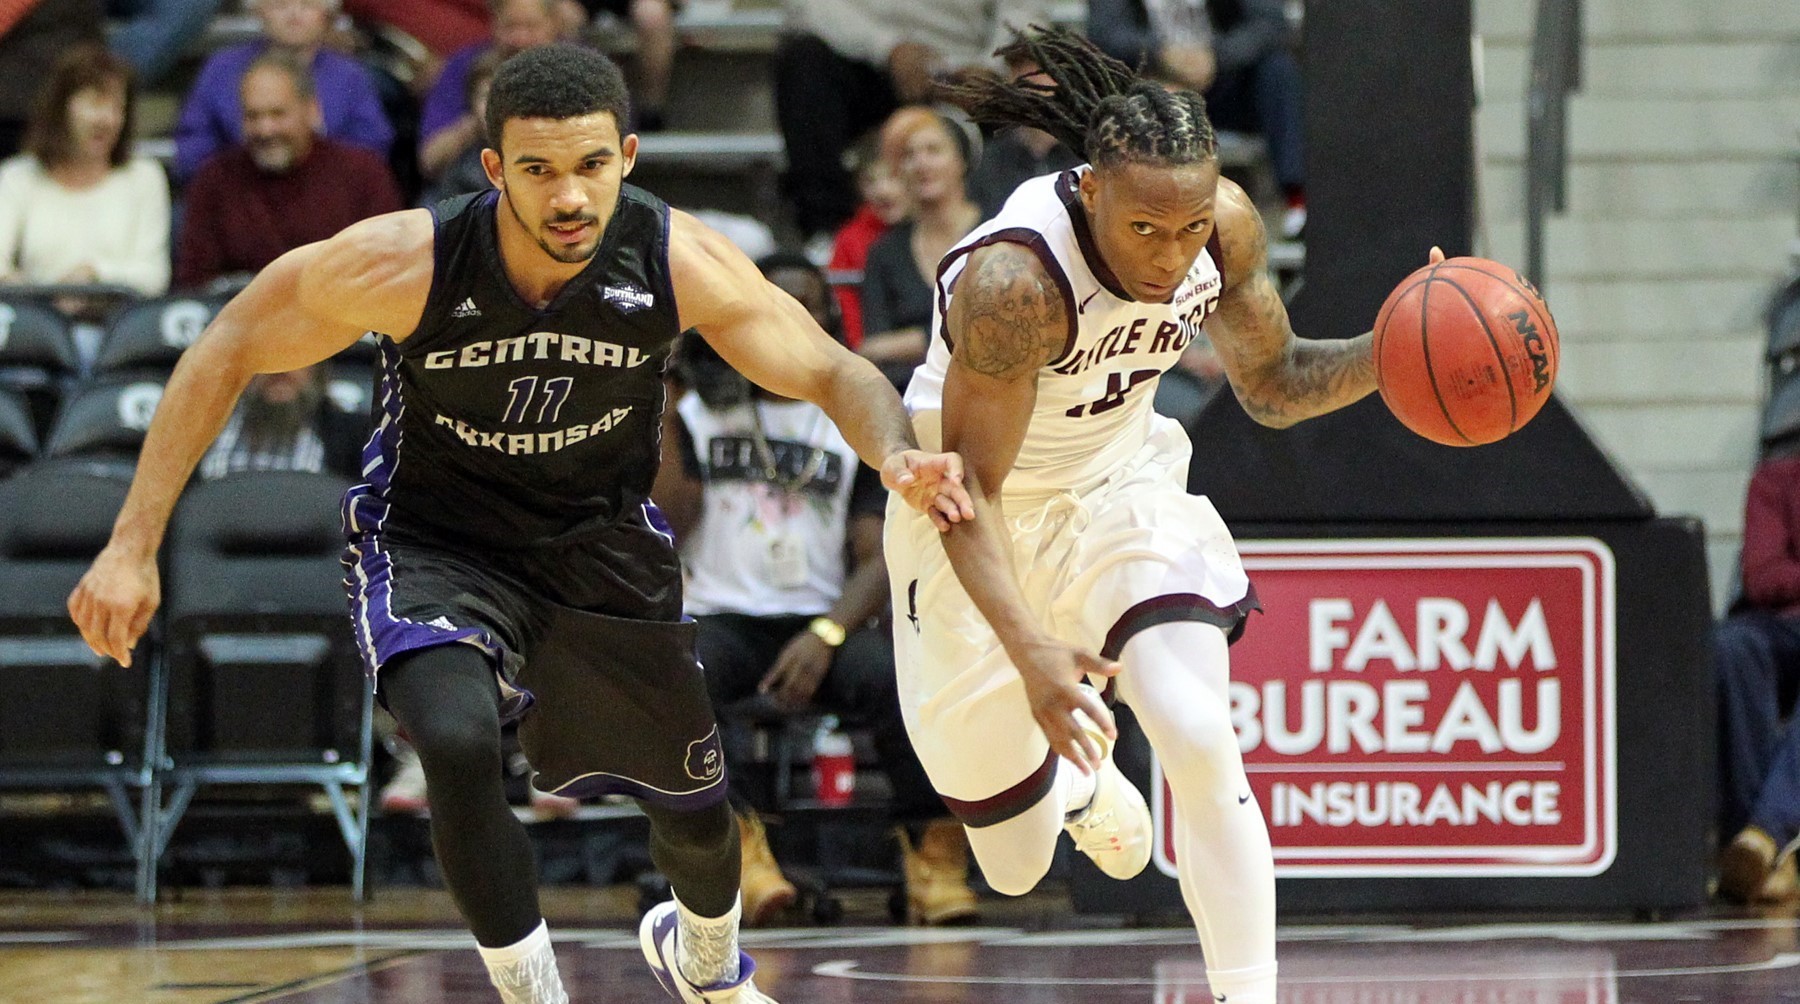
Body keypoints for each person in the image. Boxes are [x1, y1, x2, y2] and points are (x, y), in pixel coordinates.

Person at [68, 42, 969, 1004]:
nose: (569, 196)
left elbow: (833, 370)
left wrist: (894, 453)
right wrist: (131, 543)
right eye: (538, 170)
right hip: (433, 540)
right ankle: (532, 991)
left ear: (627, 156)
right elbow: (228, 342)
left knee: (700, 820)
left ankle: (706, 963)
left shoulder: (674, 257)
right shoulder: (410, 260)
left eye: (589, 167)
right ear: (495, 169)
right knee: (455, 739)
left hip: (600, 547)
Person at [884, 27, 1440, 1004]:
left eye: (1186, 230)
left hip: (1119, 486)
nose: (1169, 255)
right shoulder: (1015, 285)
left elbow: (1272, 382)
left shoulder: (1217, 225)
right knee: (1012, 864)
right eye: (1146, 230)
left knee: (1195, 725)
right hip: (976, 510)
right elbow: (968, 492)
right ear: (1092, 188)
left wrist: (1393, 351)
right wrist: (1032, 649)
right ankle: (1083, 787)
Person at [654, 252, 979, 927]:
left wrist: (828, 634)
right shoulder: (697, 411)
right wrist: (660, 394)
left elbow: (881, 552)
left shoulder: (853, 415)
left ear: (829, 320)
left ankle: (932, 859)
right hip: (722, 616)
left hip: (824, 619)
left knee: (903, 679)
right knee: (682, 681)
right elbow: (671, 522)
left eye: (806, 308)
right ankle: (743, 859)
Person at [772, 0, 1050, 245]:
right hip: (866, 58)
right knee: (803, 62)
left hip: (973, 64)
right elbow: (808, 6)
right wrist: (888, 47)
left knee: (1039, 73)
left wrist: (993, 65)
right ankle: (828, 234)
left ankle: (1015, 234)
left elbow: (1027, 9)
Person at [175, 53, 404, 293]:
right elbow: (195, 285)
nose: (265, 130)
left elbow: (391, 271)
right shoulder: (214, 181)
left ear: (312, 110)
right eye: (253, 116)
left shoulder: (363, 175)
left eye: (277, 114)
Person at [1087, 0, 1307, 238]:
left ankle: (1297, 200)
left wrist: (1216, 56)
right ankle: (1120, 209)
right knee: (1106, 81)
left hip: (1224, 84)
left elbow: (1270, 23)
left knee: (1278, 69)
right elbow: (1104, 32)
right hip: (1149, 84)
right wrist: (1162, 53)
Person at [0, 42, 169, 311]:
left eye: (117, 107)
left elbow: (153, 275)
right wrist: (32, 295)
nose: (106, 119)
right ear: (61, 108)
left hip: (118, 333)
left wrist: (93, 274)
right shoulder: (18, 177)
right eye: (95, 103)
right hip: (37, 329)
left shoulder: (144, 177)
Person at [172, 0, 394, 181]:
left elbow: (373, 147)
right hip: (238, 198)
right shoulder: (221, 68)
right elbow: (194, 143)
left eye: (307, 4)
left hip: (329, 199)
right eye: (280, 4)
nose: (294, 15)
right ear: (258, 10)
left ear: (327, 13)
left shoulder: (350, 76)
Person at [1712, 451, 1800, 903]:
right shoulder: (1775, 480)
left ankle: (1760, 837)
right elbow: (1763, 576)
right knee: (1732, 646)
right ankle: (1768, 853)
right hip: (1780, 622)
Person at [858, 108, 981, 386]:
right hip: (910, 396)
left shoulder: (998, 232)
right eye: (908, 155)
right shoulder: (884, 252)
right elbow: (874, 349)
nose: (921, 163)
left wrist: (912, 341)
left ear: (961, 160)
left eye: (933, 150)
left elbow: (998, 334)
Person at [418, 0, 561, 184]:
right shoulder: (466, 66)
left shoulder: (578, 67)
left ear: (554, 23)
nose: (520, 39)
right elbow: (429, 160)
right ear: (494, 23)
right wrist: (477, 122)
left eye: (531, 27)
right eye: (510, 27)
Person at [196, 365, 364, 480]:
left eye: (295, 353)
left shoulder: (357, 439)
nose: (281, 368)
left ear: (318, 368)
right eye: (267, 353)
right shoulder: (197, 432)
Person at [826, 132, 908, 349]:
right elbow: (848, 311)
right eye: (870, 181)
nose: (882, 191)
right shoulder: (848, 239)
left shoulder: (935, 229)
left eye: (893, 177)